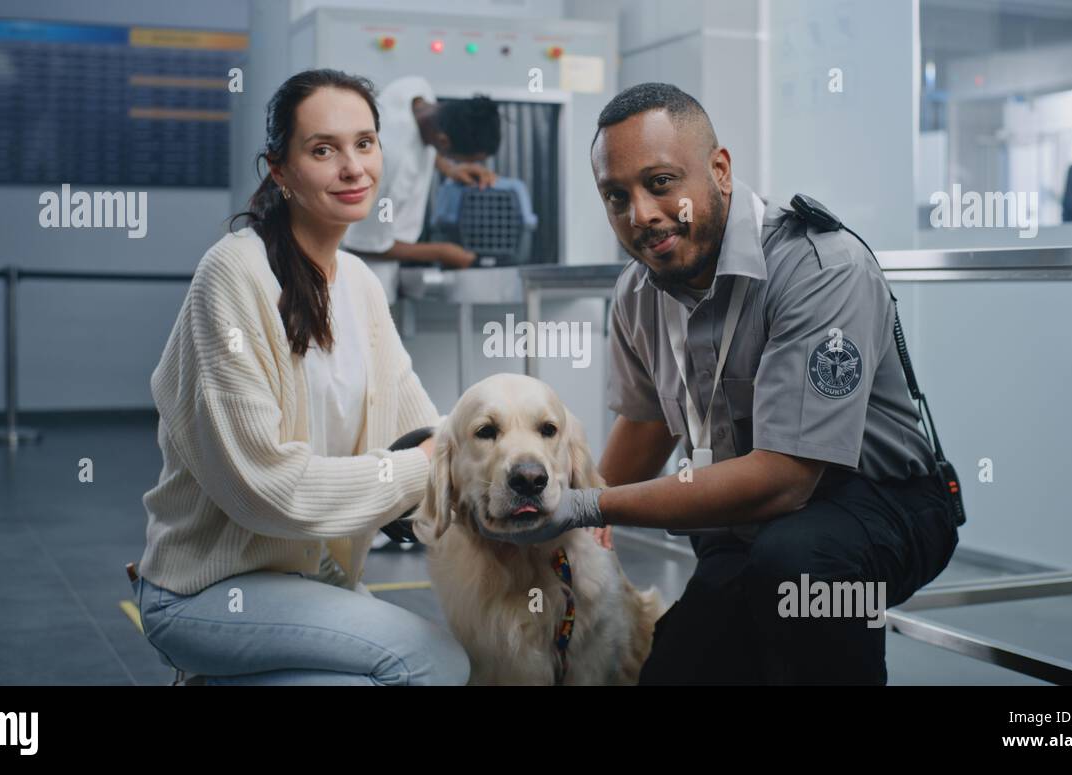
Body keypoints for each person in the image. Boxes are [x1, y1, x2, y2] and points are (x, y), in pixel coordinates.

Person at [479, 83, 961, 685]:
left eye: (660, 183)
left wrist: (584, 505)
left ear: (720, 170)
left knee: (798, 571)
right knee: (676, 670)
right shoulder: (636, 293)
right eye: (615, 195)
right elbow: (647, 425)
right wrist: (558, 519)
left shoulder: (818, 268)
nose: (641, 214)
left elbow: (786, 479)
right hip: (750, 529)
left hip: (879, 505)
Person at [133, 69, 468, 685]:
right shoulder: (234, 275)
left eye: (365, 143)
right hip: (206, 592)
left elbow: (420, 426)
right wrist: (430, 461)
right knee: (433, 663)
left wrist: (525, 468)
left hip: (310, 584)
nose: (353, 167)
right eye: (324, 150)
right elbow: (266, 488)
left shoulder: (361, 285)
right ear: (279, 171)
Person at [341, 75, 502, 273]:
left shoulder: (415, 89)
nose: (457, 163)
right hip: (369, 271)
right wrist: (442, 252)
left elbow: (420, 140)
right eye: (459, 159)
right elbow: (362, 244)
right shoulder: (389, 165)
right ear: (443, 142)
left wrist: (450, 169)